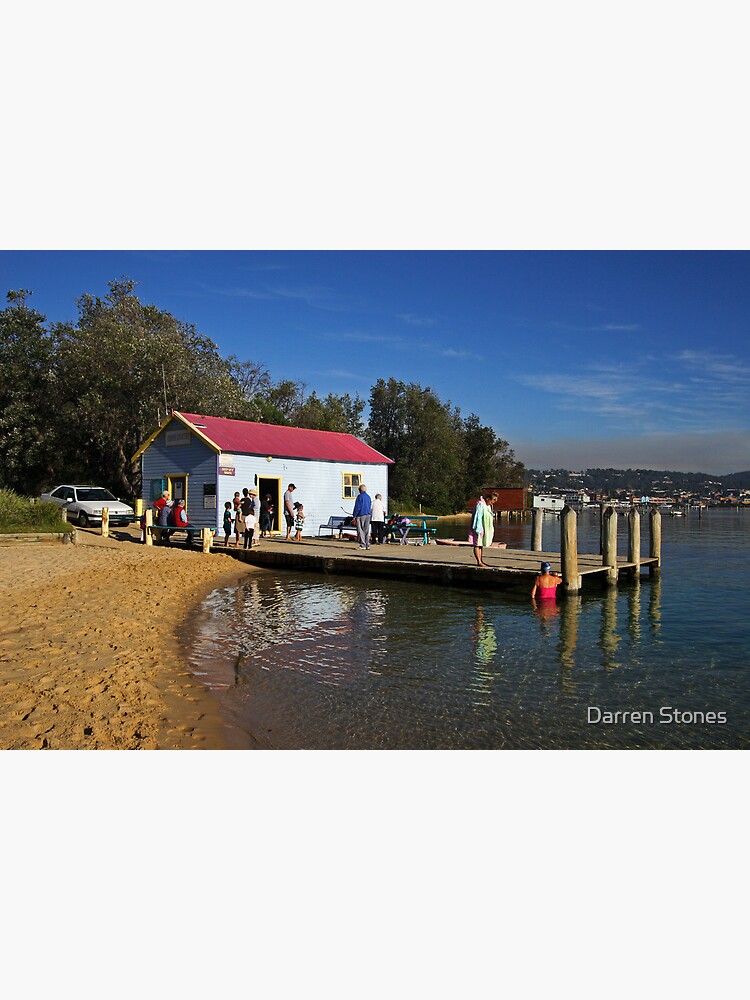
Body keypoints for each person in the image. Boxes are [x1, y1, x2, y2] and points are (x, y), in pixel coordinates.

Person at [469, 493, 495, 567]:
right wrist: (478, 527)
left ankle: (481, 560)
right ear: (488, 499)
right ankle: (479, 561)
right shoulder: (480, 505)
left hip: (484, 528)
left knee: (481, 544)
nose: (493, 502)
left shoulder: (488, 506)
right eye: (493, 500)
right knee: (477, 544)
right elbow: (477, 516)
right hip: (479, 527)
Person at [352, 483, 372, 549]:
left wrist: (354, 515)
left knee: (360, 530)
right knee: (366, 530)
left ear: (360, 490)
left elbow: (358, 507)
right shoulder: (368, 497)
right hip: (368, 515)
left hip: (361, 515)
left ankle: (362, 544)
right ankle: (367, 544)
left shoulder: (360, 497)